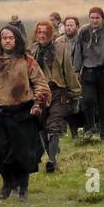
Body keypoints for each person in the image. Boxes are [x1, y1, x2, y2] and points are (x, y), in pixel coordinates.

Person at [0, 26, 50, 200]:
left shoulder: (27, 60)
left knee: (24, 154)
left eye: (11, 38)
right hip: (0, 113)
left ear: (17, 40)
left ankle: (23, 187)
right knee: (0, 153)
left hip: (23, 113)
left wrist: (38, 103)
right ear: (0, 41)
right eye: (4, 38)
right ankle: (7, 183)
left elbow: (40, 84)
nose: (7, 41)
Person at [32, 20, 81, 171]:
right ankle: (50, 154)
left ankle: (52, 160)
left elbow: (69, 71)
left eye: (45, 32)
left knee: (54, 125)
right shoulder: (32, 51)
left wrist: (75, 93)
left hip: (57, 91)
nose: (42, 35)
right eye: (39, 32)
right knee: (42, 127)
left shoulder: (61, 49)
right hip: (38, 93)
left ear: (51, 34)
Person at [72, 7, 104, 140]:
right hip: (87, 70)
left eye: (97, 18)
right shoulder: (83, 31)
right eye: (92, 18)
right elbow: (78, 51)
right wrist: (76, 69)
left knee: (103, 104)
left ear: (102, 19)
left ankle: (103, 134)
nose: (94, 20)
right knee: (87, 100)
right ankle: (91, 126)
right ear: (89, 18)